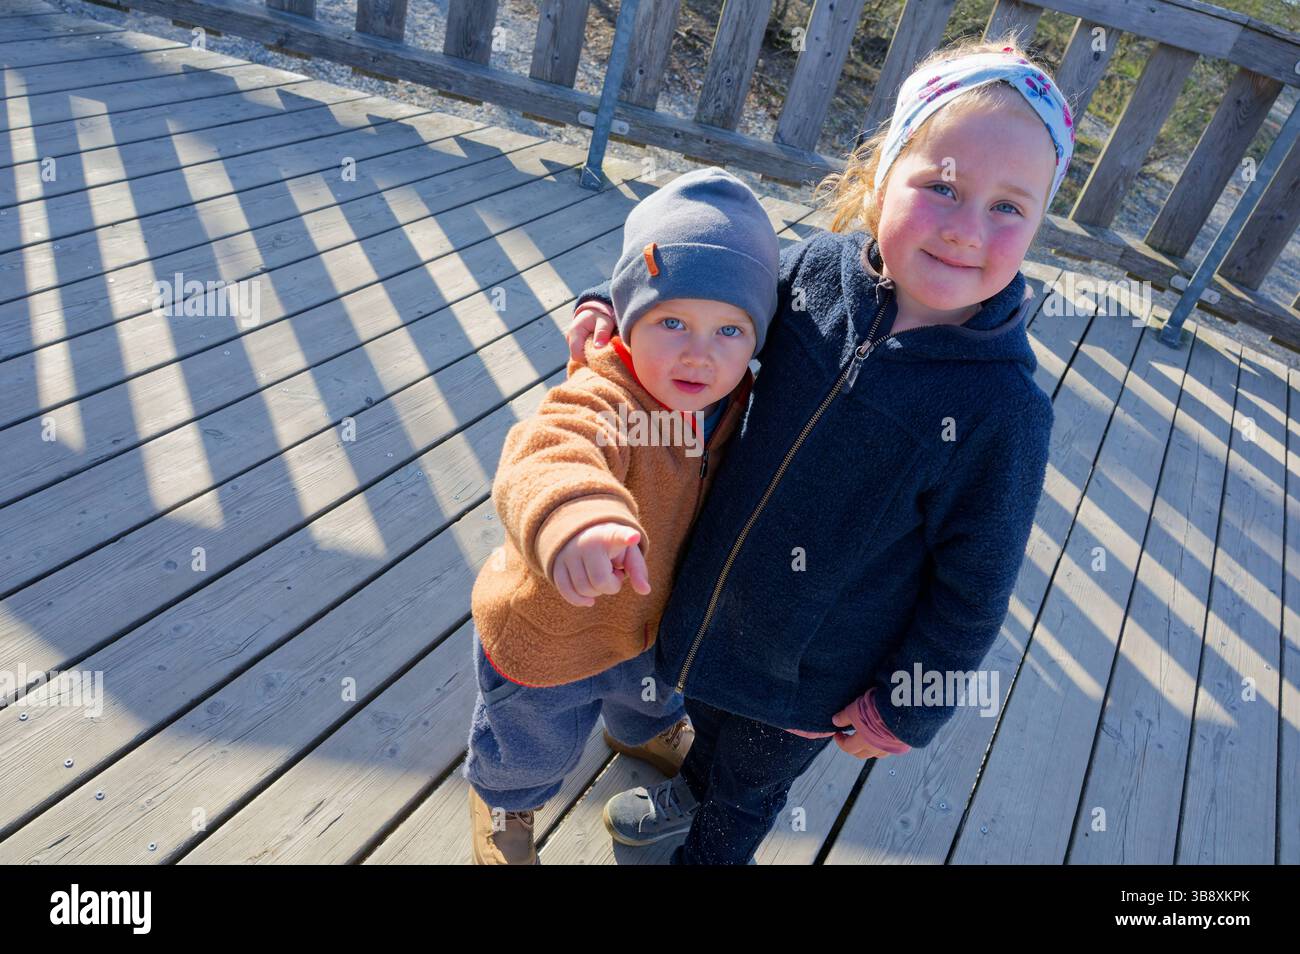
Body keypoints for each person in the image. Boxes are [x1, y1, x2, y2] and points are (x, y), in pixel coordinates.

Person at [569, 36, 1072, 864]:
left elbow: (974, 591)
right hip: (715, 600)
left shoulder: (1002, 411)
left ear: (1039, 223)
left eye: (1009, 207)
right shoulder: (815, 272)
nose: (965, 229)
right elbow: (705, 281)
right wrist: (607, 298)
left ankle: (709, 845)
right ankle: (688, 787)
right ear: (880, 179)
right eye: (941, 186)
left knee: (749, 792)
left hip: (816, 673)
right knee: (710, 730)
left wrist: (906, 707)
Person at [463, 167, 780, 864]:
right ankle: (504, 802)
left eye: (730, 328)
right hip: (556, 627)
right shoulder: (610, 390)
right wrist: (576, 517)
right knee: (530, 739)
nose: (700, 351)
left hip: (652, 625)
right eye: (672, 322)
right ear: (629, 321)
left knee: (651, 700)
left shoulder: (733, 398)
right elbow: (550, 448)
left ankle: (639, 732)